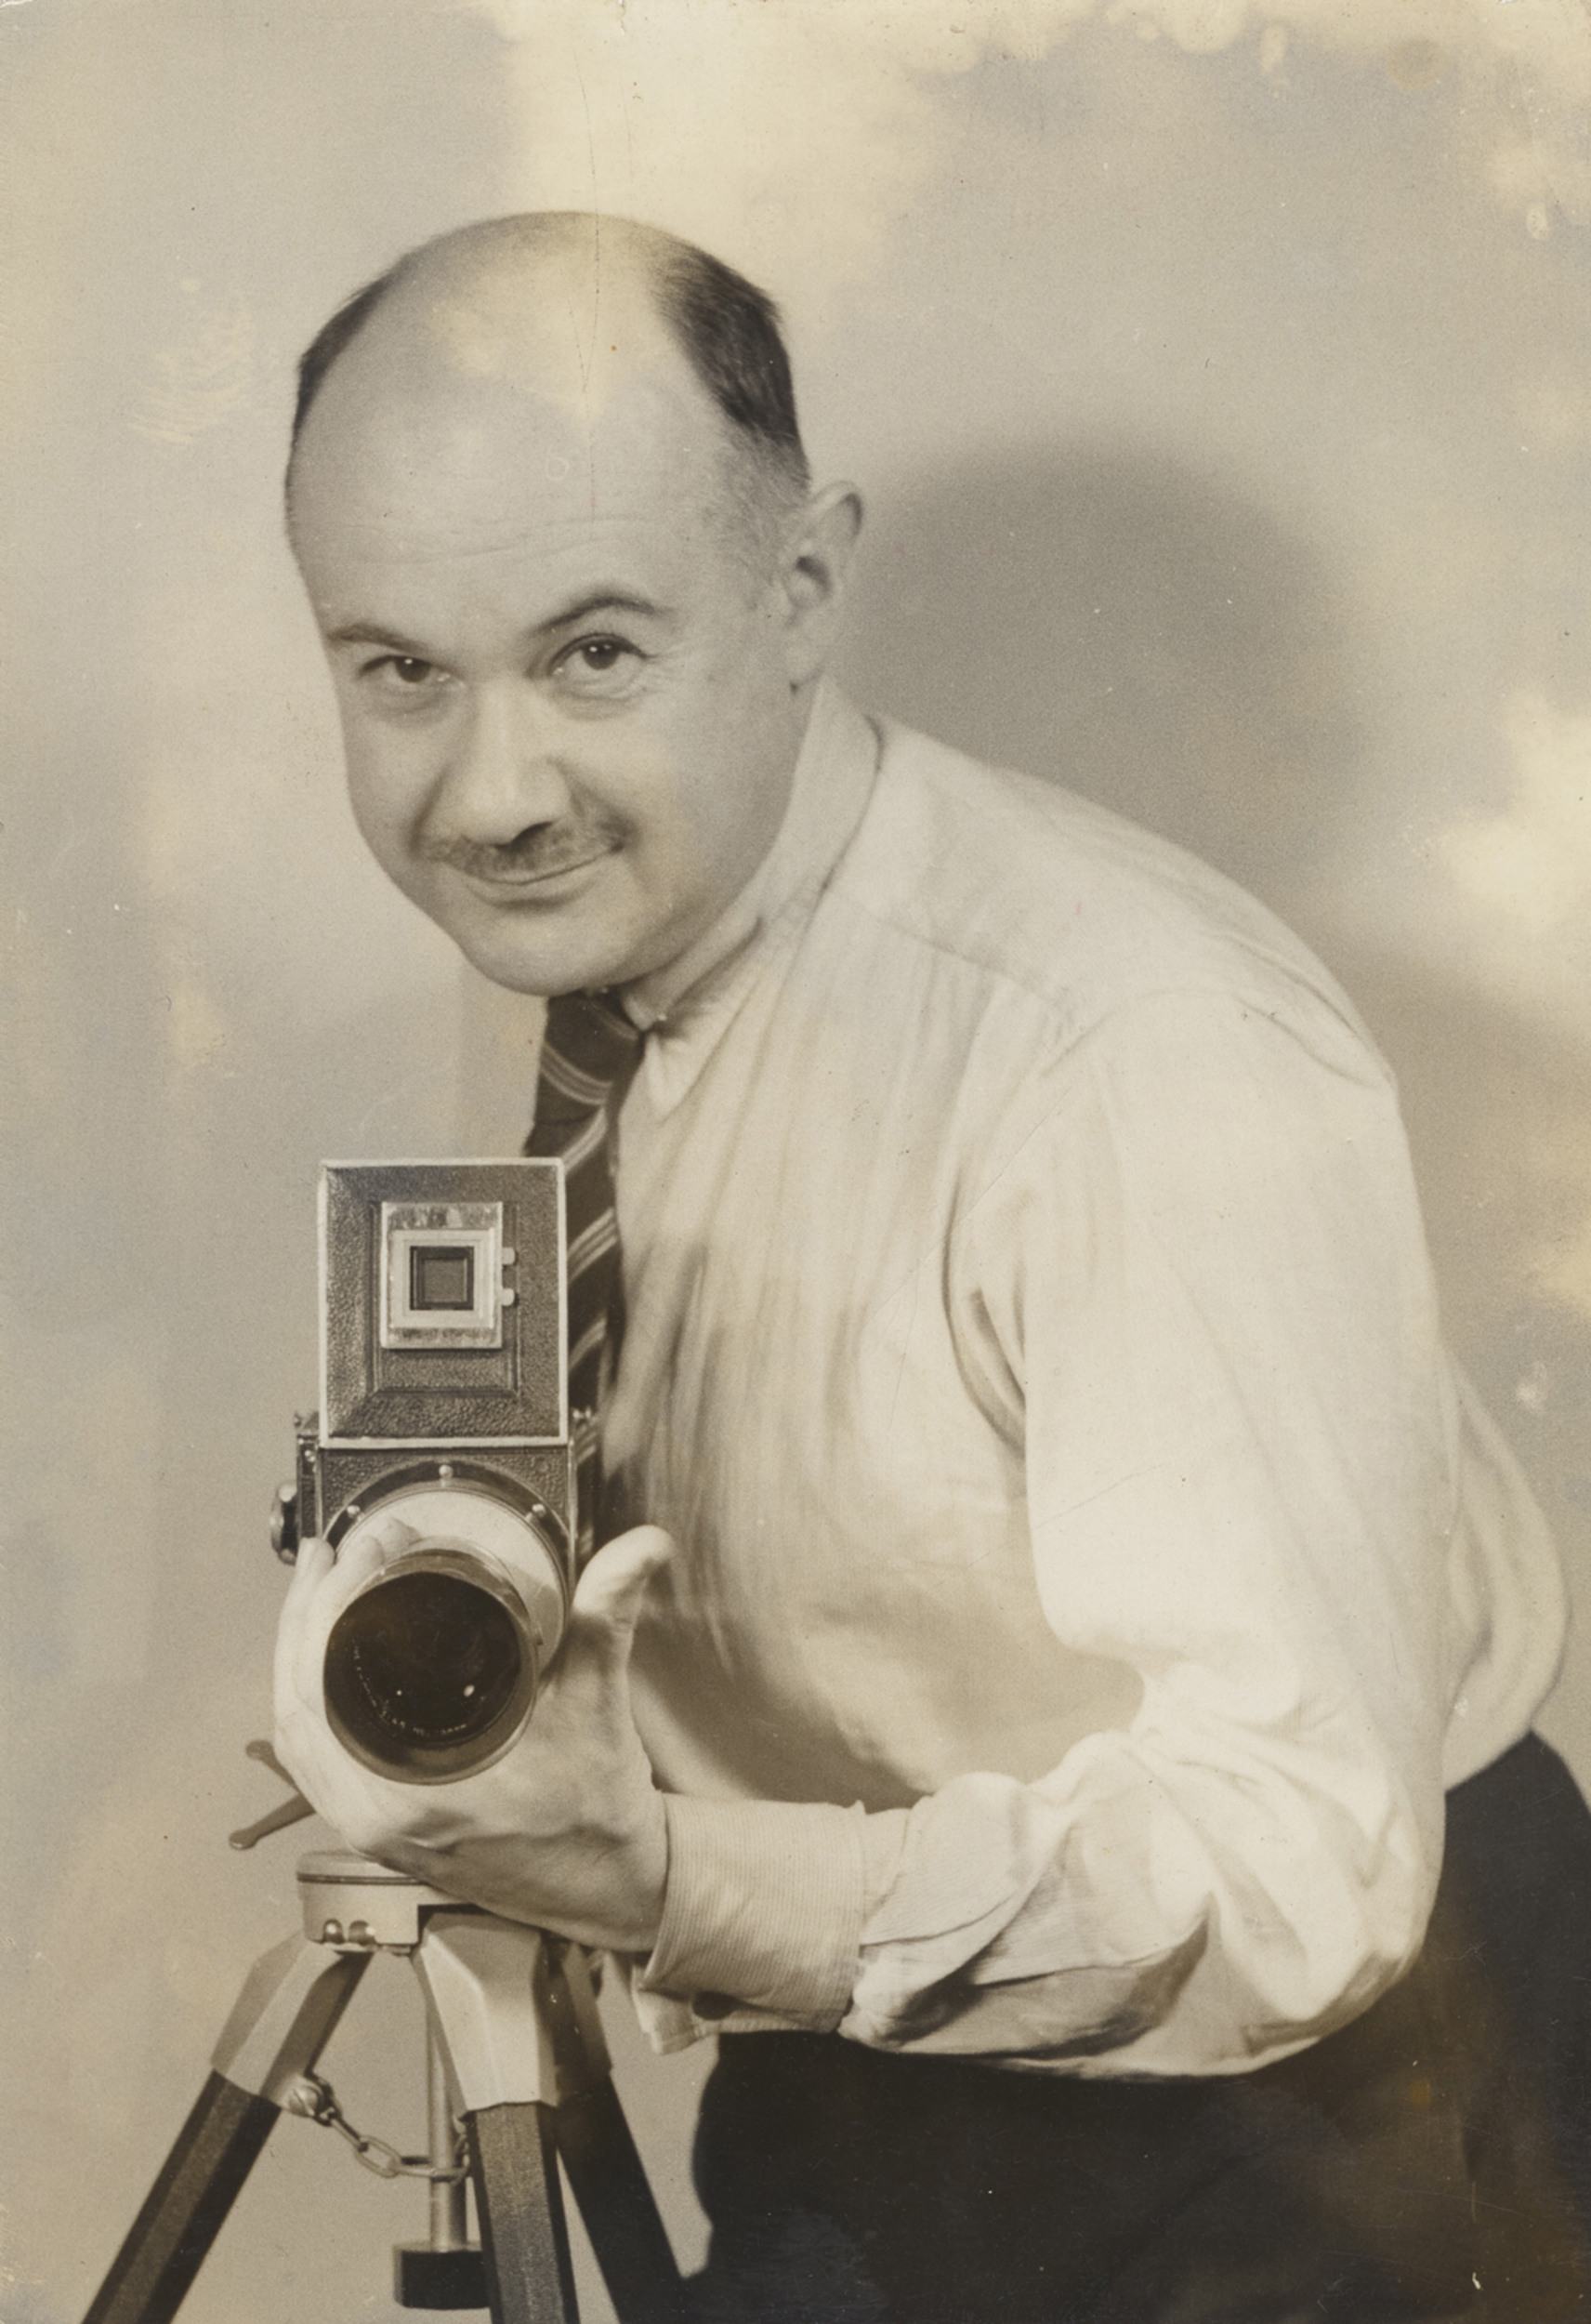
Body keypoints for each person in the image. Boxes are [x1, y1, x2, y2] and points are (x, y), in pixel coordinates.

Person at [273, 212, 1591, 2321]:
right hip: (867, 2027)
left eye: (594, 650)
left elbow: (1291, 1862)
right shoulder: (598, 923)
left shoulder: (1128, 1047)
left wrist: (675, 1872)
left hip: (1343, 2094)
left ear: (799, 591)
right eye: (399, 670)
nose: (490, 791)